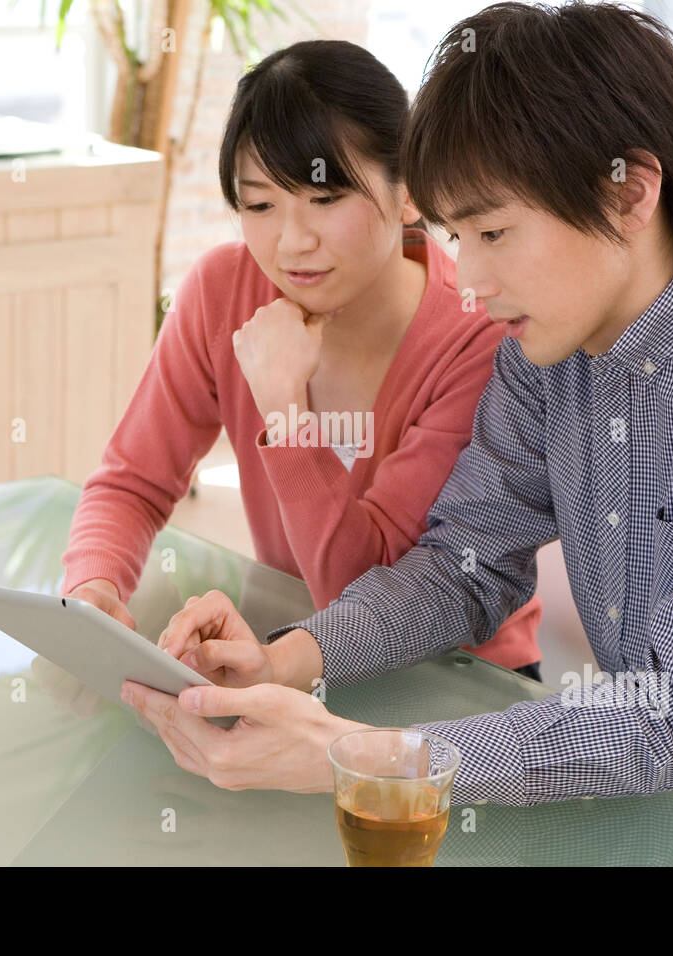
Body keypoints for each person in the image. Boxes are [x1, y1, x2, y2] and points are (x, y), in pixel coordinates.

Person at [124, 2, 673, 864]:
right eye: (457, 235)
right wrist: (287, 659)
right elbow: (463, 567)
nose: (472, 278)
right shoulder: (551, 349)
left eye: (493, 232)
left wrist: (357, 757)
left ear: (630, 191)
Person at [56, 38, 544, 703]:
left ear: (409, 193)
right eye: (259, 206)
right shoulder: (222, 292)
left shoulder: (476, 336)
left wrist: (285, 409)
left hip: (459, 682)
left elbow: (366, 595)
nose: (291, 242)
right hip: (292, 655)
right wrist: (94, 586)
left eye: (324, 198)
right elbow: (133, 483)